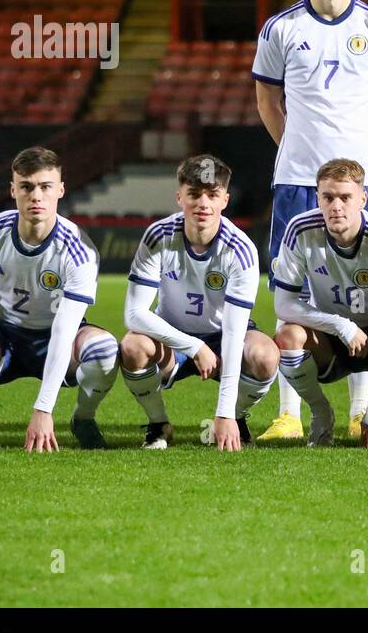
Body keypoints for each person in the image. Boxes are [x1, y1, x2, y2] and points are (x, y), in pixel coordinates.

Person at [252, 0, 368, 441]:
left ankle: (364, 410)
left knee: (365, 290)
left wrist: (355, 154)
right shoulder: (280, 28)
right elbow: (267, 102)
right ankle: (290, 415)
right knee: (292, 287)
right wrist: (296, 150)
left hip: (363, 182)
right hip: (296, 179)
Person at [0, 147, 117, 451]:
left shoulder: (79, 250)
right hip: (2, 337)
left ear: (60, 190)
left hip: (57, 338)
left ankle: (83, 419)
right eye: (27, 186)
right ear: (13, 189)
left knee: (105, 348)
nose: (36, 196)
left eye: (45, 187)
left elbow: (65, 328)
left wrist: (43, 409)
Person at [119, 155, 278, 451]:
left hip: (222, 337)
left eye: (212, 195)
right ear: (179, 197)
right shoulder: (158, 236)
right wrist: (193, 346)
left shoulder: (240, 249)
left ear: (225, 200)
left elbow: (233, 333)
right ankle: (158, 424)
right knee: (132, 346)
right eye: (193, 194)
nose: (202, 203)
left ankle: (237, 417)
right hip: (172, 337)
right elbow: (134, 314)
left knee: (266, 356)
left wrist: (224, 412)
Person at [271, 159, 368, 447]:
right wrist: (340, 326)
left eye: (345, 197)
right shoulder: (300, 229)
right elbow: (284, 305)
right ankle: (320, 413)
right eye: (328, 197)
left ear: (362, 199)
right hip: (331, 338)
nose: (336, 206)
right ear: (318, 196)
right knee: (287, 336)